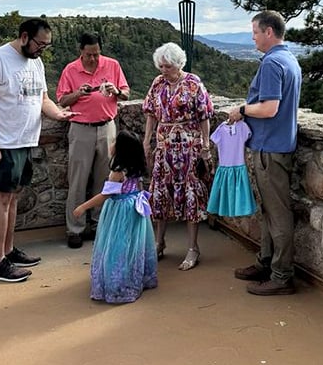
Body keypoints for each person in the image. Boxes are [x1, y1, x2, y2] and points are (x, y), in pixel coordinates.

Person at [0, 17, 74, 283]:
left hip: (25, 141)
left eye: (47, 46)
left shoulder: (36, 63)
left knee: (13, 197)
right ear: (25, 37)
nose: (43, 50)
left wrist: (59, 115)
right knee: (2, 199)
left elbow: (42, 99)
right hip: (2, 143)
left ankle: (8, 251)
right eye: (40, 44)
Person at [227, 11, 302, 296]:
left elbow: (269, 108)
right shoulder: (290, 59)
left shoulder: (272, 63)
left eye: (255, 32)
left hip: (270, 149)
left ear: (269, 32)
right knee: (270, 211)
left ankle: (281, 276)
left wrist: (241, 110)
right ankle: (267, 263)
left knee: (277, 214)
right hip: (277, 146)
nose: (253, 38)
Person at [142, 42, 214, 270]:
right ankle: (158, 242)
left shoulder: (193, 83)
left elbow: (204, 115)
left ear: (178, 64)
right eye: (161, 66)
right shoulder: (158, 83)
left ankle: (193, 247)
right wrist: (147, 140)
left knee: (191, 192)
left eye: (167, 66)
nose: (163, 70)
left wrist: (205, 145)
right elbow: (151, 113)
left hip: (189, 144)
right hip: (164, 145)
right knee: (161, 191)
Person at [56, 32, 130, 248]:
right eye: (89, 55)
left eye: (96, 55)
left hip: (107, 127)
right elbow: (62, 100)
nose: (93, 59)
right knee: (78, 180)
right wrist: (79, 93)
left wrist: (115, 91)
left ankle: (100, 224)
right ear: (81, 51)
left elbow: (125, 92)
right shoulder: (71, 70)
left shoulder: (113, 65)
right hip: (81, 128)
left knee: (105, 179)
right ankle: (75, 228)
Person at [73, 130, 158, 303]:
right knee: (133, 245)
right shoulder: (137, 168)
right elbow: (140, 188)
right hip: (135, 209)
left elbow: (106, 195)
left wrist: (83, 206)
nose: (111, 145)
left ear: (121, 150)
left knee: (117, 245)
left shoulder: (118, 172)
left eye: (114, 143)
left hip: (120, 212)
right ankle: (139, 275)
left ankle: (117, 282)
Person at [207, 121, 256, 218]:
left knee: (226, 194)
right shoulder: (221, 130)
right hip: (229, 164)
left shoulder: (242, 127)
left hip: (235, 164)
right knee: (239, 194)